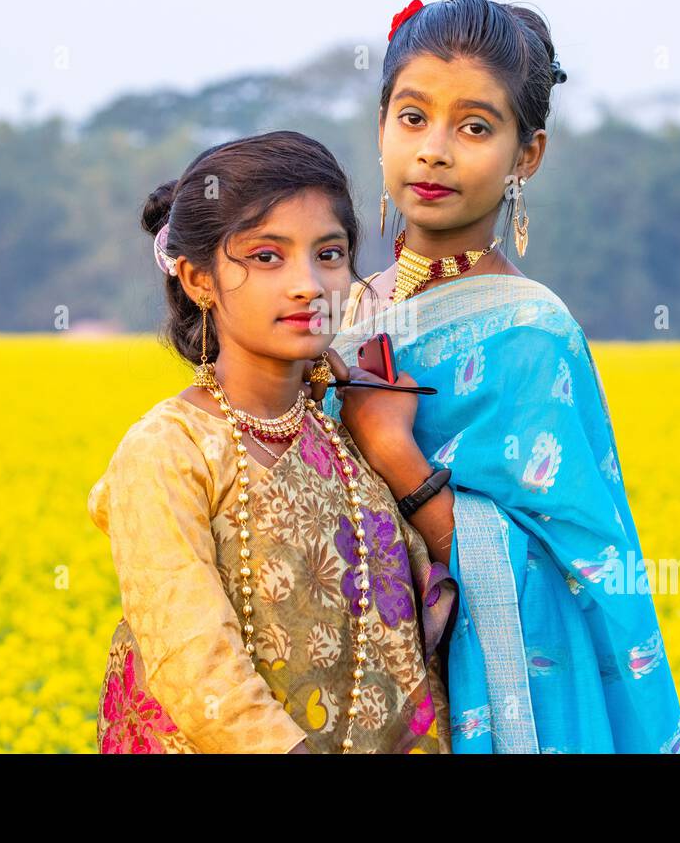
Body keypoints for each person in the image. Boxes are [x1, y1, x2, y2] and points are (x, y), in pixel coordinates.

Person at [318, 0, 680, 753]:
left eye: (475, 127)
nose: (434, 150)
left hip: (462, 715)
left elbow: (567, 586)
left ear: (528, 155)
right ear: (382, 126)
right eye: (413, 117)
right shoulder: (332, 310)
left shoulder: (532, 333)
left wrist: (396, 458)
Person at [88, 130, 455, 753]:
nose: (308, 284)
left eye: (330, 254)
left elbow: (430, 625)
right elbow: (194, 661)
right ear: (198, 277)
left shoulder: (348, 434)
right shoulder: (169, 450)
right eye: (266, 257)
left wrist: (392, 448)